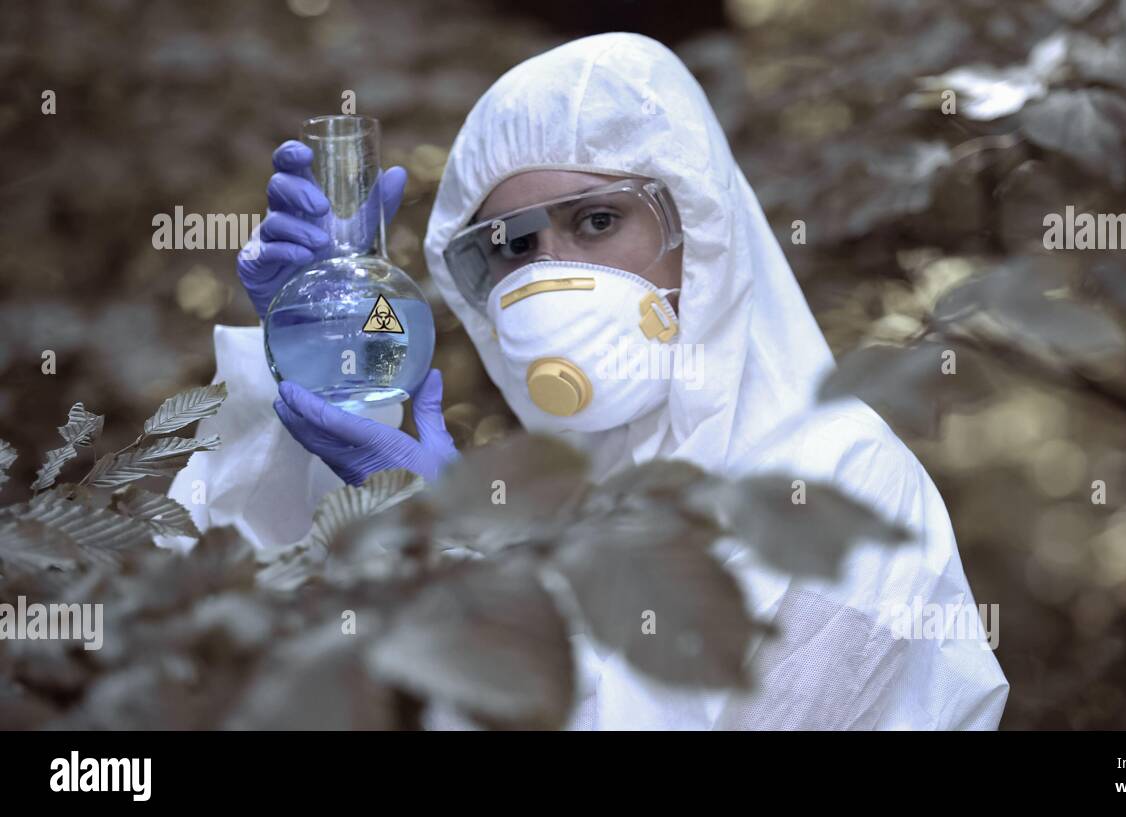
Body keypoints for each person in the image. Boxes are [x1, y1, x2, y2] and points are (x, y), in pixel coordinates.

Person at [167, 32, 1009, 730]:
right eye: (512, 248)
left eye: (598, 220)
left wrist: (457, 550)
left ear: (701, 233)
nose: (548, 277)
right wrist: (307, 369)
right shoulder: (538, 501)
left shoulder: (841, 477)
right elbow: (229, 645)